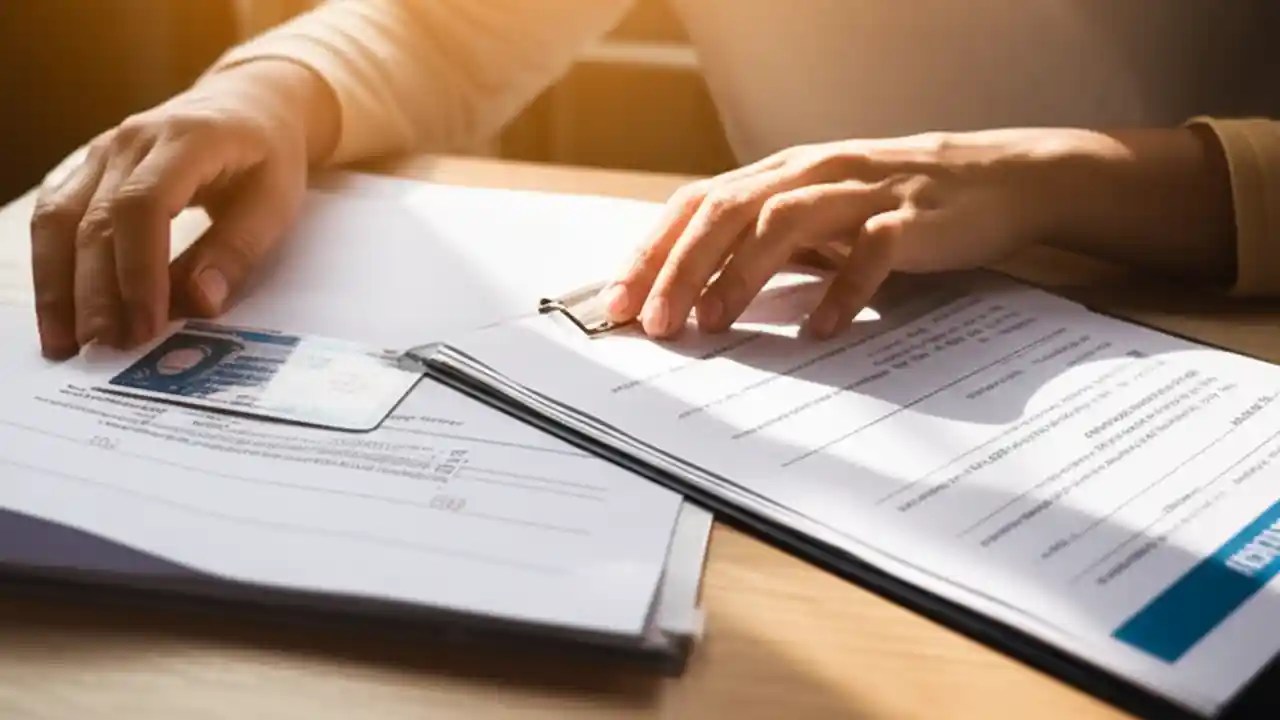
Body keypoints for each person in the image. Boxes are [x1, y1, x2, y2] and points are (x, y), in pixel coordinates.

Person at [28, 0, 1280, 359]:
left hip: (1208, 341)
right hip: (838, 359)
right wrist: (267, 86)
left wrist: (1044, 173)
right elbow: (449, 28)